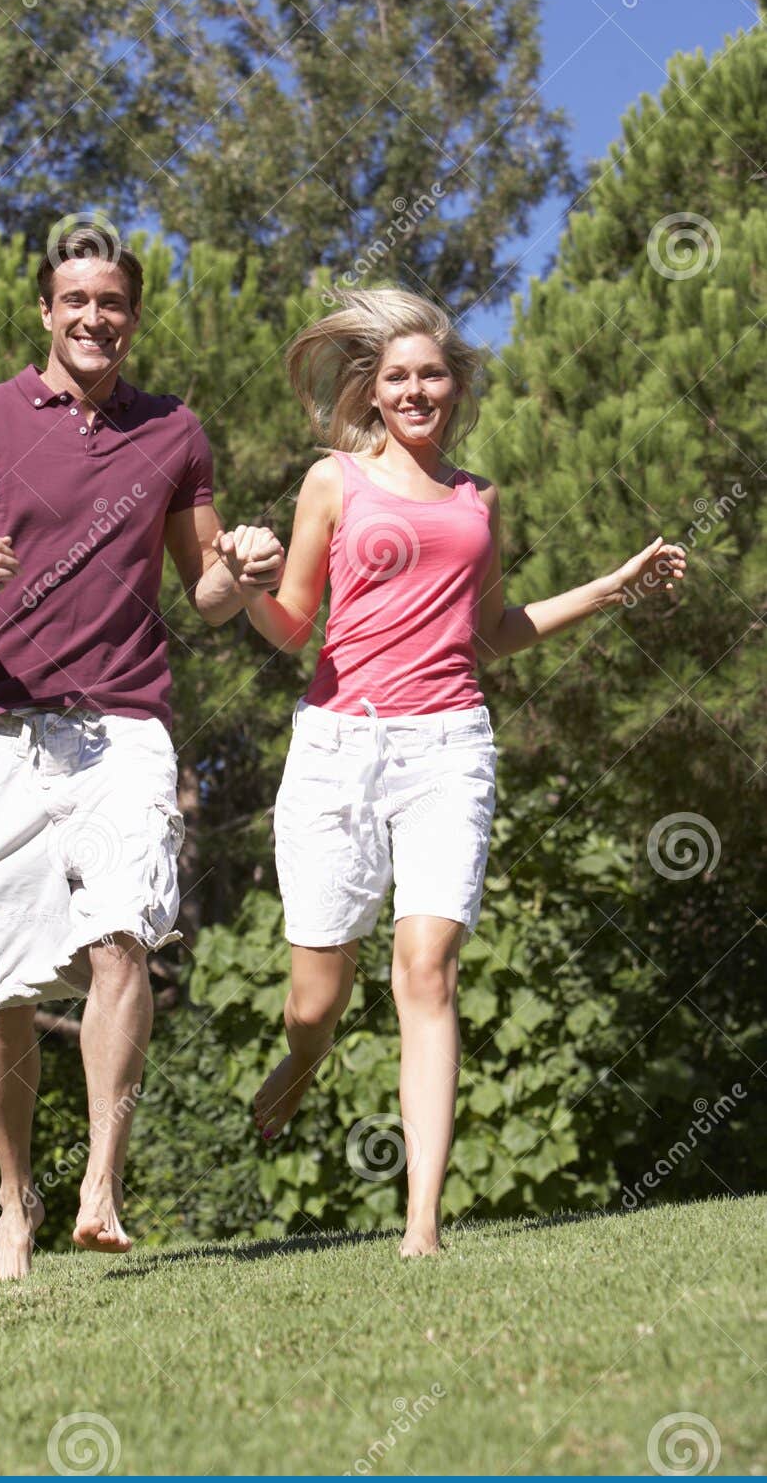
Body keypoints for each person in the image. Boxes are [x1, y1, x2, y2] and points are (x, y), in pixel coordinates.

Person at [219, 286, 686, 1259]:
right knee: (315, 1002)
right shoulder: (332, 483)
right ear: (372, 392)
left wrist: (606, 588)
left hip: (447, 745)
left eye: (431, 372)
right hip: (338, 747)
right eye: (397, 376)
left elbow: (490, 633)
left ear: (454, 385)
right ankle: (301, 1061)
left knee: (423, 970)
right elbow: (292, 626)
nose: (416, 388)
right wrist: (255, 587)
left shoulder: (478, 500)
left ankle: (420, 1225)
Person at [0, 226, 283, 1280]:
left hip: (125, 725)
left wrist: (244, 568)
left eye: (111, 301)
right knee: (4, 983)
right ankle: (13, 1202)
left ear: (134, 314)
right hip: (6, 729)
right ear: (44, 311)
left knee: (122, 937)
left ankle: (100, 1183)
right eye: (74, 300)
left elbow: (202, 595)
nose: (92, 318)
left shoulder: (175, 432)